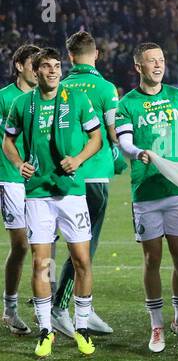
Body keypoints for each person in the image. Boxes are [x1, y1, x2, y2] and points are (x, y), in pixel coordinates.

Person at [1, 48, 103, 358]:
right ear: (35, 71)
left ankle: (81, 327)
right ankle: (46, 330)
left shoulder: (76, 100)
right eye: (47, 66)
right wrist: (19, 163)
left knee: (82, 260)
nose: (54, 71)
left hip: (71, 192)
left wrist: (79, 159)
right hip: (38, 195)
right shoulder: (22, 104)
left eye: (57, 65)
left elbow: (96, 137)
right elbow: (7, 140)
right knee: (41, 263)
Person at [115, 42, 178, 352]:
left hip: (177, 191)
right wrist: (138, 151)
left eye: (162, 59)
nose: (158, 65)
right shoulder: (127, 104)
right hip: (146, 193)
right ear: (138, 67)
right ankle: (156, 325)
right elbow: (125, 142)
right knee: (151, 259)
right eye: (151, 61)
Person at [48, 32, 119, 338]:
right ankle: (61, 308)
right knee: (85, 246)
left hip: (64, 176)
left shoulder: (59, 89)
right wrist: (121, 154)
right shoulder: (105, 88)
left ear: (70, 58)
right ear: (96, 55)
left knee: (71, 243)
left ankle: (82, 311)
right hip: (94, 177)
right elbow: (114, 132)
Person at [1, 45, 39, 336]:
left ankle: (42, 306)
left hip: (37, 182)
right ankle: (11, 309)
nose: (38, 70)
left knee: (40, 245)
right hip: (10, 177)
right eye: (32, 65)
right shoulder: (4, 98)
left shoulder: (46, 99)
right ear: (19, 67)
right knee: (22, 244)